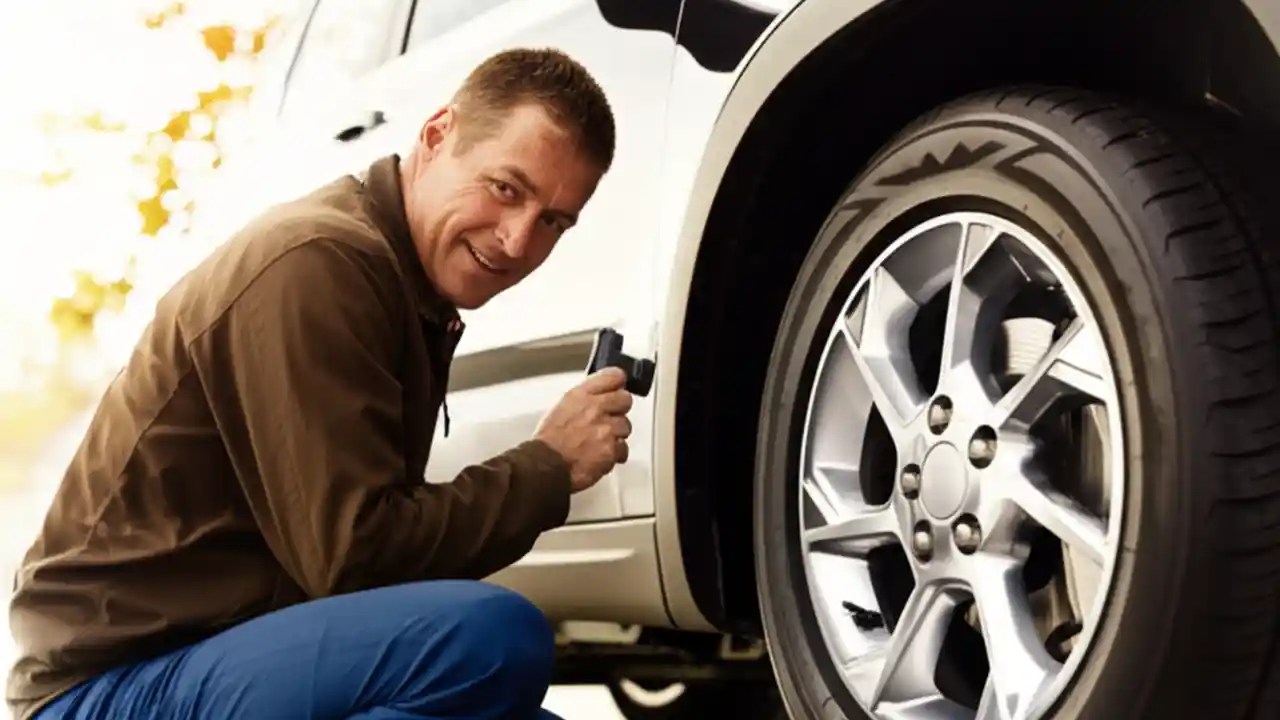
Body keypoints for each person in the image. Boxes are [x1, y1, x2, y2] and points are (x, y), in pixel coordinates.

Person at [6, 47, 630, 720]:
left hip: (218, 655)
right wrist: (547, 468)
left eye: (553, 222)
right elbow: (356, 562)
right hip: (109, 688)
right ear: (436, 135)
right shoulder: (320, 263)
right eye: (505, 189)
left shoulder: (398, 282)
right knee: (492, 636)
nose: (517, 241)